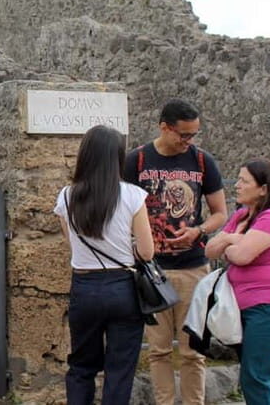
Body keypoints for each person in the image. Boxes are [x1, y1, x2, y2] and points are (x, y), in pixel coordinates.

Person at [123, 98, 228, 405]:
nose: (188, 141)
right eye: (183, 135)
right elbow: (122, 209)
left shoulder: (202, 161)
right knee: (158, 351)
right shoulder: (137, 161)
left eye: (193, 135)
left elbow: (220, 213)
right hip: (152, 271)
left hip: (192, 267)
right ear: (164, 128)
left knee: (194, 350)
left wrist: (199, 231)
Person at [54, 125, 155, 404]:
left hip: (84, 287)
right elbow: (147, 252)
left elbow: (71, 245)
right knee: (120, 369)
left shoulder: (66, 196)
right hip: (122, 287)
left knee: (81, 366)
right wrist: (127, 248)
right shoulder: (133, 195)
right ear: (117, 158)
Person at [206, 158, 270, 404]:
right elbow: (210, 250)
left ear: (263, 189)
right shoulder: (240, 216)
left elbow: (242, 256)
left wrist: (230, 241)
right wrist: (235, 240)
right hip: (241, 308)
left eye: (244, 181)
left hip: (266, 307)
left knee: (255, 376)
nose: (236, 185)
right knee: (251, 376)